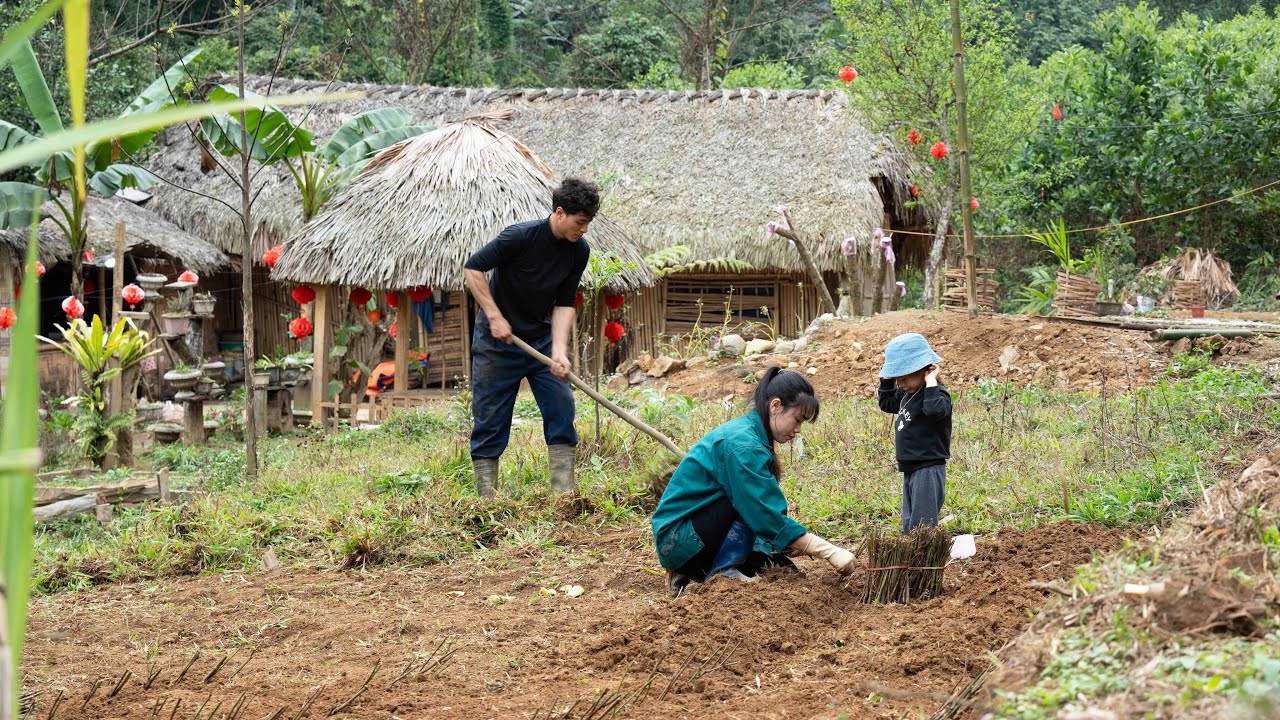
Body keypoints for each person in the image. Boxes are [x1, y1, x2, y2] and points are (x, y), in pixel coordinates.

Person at [651, 367, 859, 596]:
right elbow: (762, 512)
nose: (798, 430)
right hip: (680, 537)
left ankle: (701, 569)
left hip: (704, 529)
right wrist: (826, 550)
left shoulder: (754, 434)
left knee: (780, 570)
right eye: (797, 419)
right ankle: (718, 570)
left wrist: (785, 543)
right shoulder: (743, 446)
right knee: (747, 501)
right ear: (776, 406)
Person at [462, 177, 597, 497]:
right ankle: (487, 499)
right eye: (580, 222)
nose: (584, 229)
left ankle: (564, 494)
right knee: (490, 419)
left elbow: (565, 302)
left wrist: (560, 352)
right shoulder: (519, 237)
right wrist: (494, 316)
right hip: (496, 343)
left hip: (540, 341)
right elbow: (473, 268)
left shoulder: (579, 251)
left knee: (562, 408)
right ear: (560, 213)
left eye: (588, 223)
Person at [876, 333, 953, 533]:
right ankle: (912, 558)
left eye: (903, 378)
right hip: (910, 467)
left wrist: (931, 382)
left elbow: (934, 411)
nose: (900, 384)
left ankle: (923, 561)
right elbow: (886, 403)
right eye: (897, 379)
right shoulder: (906, 393)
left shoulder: (937, 394)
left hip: (928, 468)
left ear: (923, 370)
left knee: (923, 525)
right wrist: (886, 381)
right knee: (910, 522)